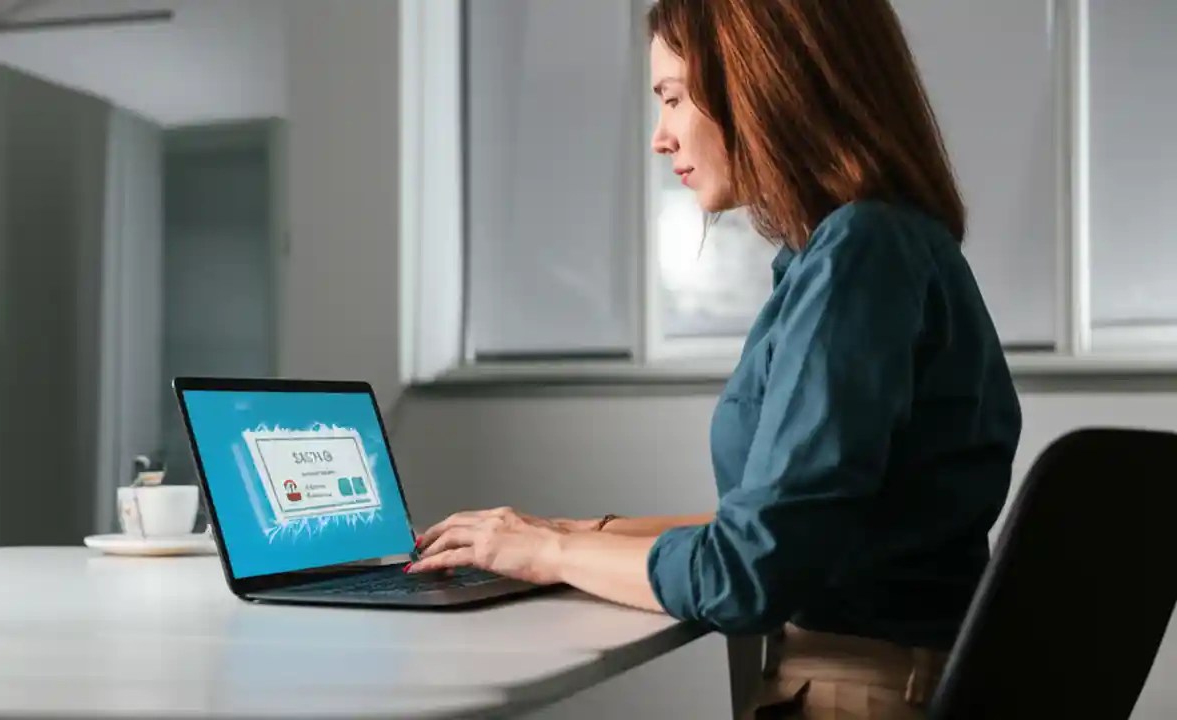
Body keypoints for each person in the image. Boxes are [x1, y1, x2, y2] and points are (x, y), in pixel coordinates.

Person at [408, 0, 1021, 716]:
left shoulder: (860, 254)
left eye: (671, 98)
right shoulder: (876, 245)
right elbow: (777, 528)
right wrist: (572, 535)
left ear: (763, 80)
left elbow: (748, 573)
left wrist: (547, 557)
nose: (659, 138)